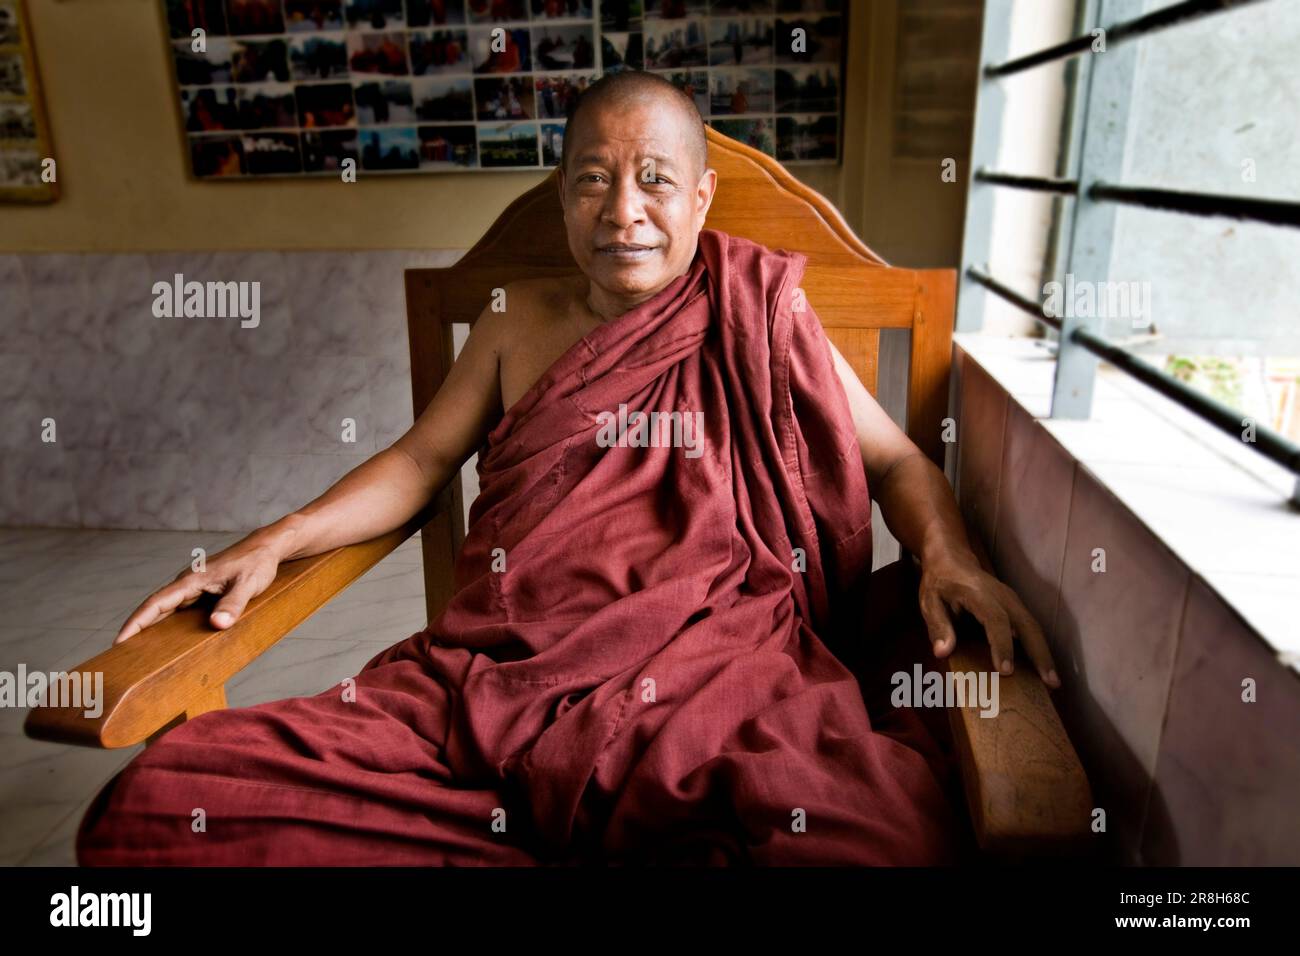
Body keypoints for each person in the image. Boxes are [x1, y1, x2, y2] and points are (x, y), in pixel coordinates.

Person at [78, 71, 1058, 867]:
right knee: (169, 801)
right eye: (592, 178)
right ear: (562, 193)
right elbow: (422, 460)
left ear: (701, 193)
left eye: (655, 179)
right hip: (489, 679)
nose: (622, 210)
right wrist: (273, 538)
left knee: (869, 836)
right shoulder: (515, 316)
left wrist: (950, 556)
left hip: (720, 677)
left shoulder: (761, 308)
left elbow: (893, 460)